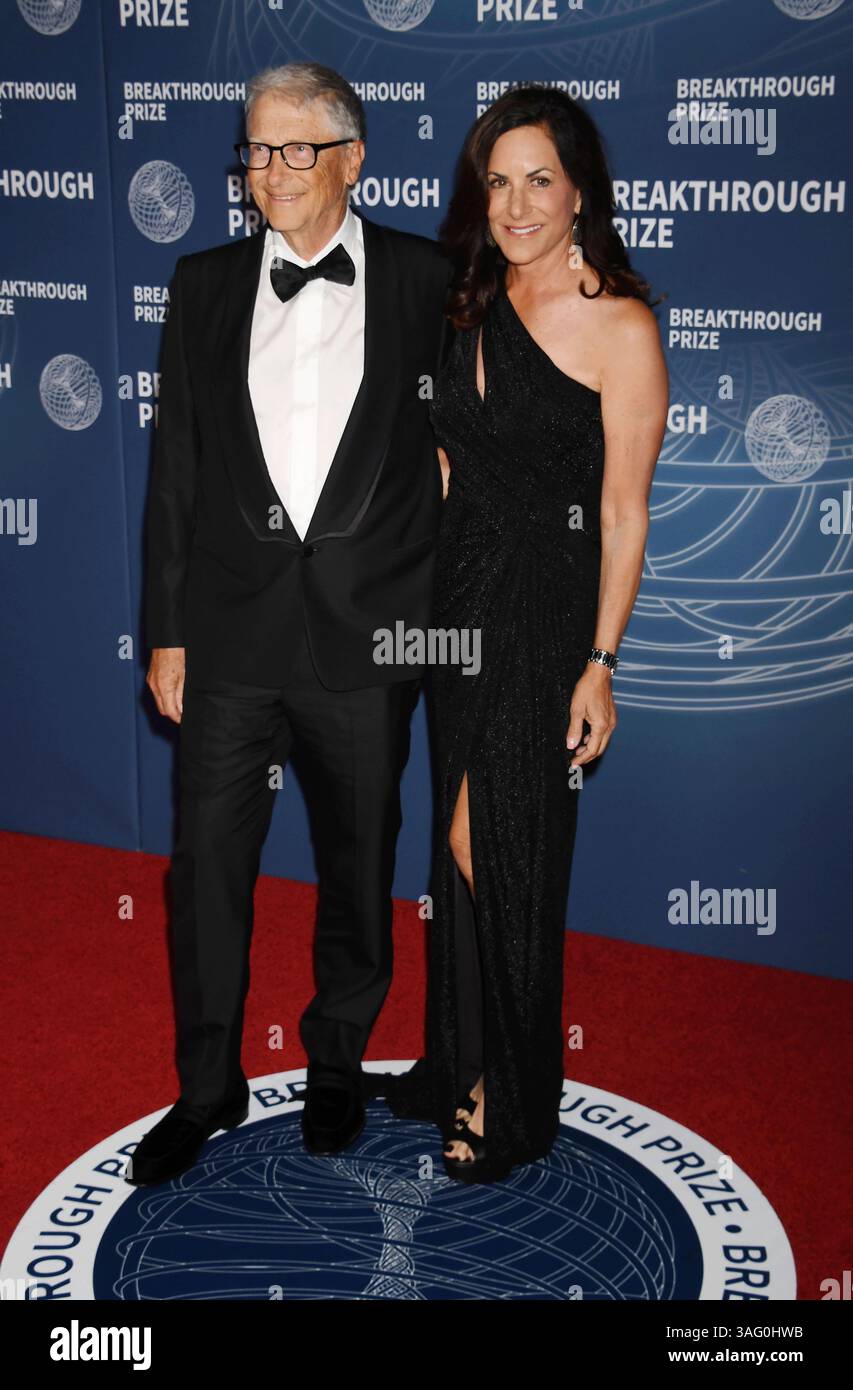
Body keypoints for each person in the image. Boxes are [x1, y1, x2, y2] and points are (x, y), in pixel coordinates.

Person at [129, 61, 453, 1186]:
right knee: (203, 869)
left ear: (352, 159)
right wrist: (165, 630)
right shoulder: (203, 282)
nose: (264, 173)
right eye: (254, 152)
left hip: (369, 641)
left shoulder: (425, 278)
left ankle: (332, 1063)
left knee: (359, 867)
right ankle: (207, 1087)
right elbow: (175, 472)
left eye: (290, 151)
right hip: (226, 635)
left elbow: (460, 455)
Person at [378, 86, 669, 1183]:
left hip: (546, 611)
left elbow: (625, 510)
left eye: (537, 178)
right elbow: (450, 462)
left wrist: (602, 662)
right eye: (496, 182)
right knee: (455, 844)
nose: (514, 202)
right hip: (457, 605)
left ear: (579, 189)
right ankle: (457, 1054)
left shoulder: (620, 325)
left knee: (491, 843)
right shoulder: (471, 300)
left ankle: (515, 1096)